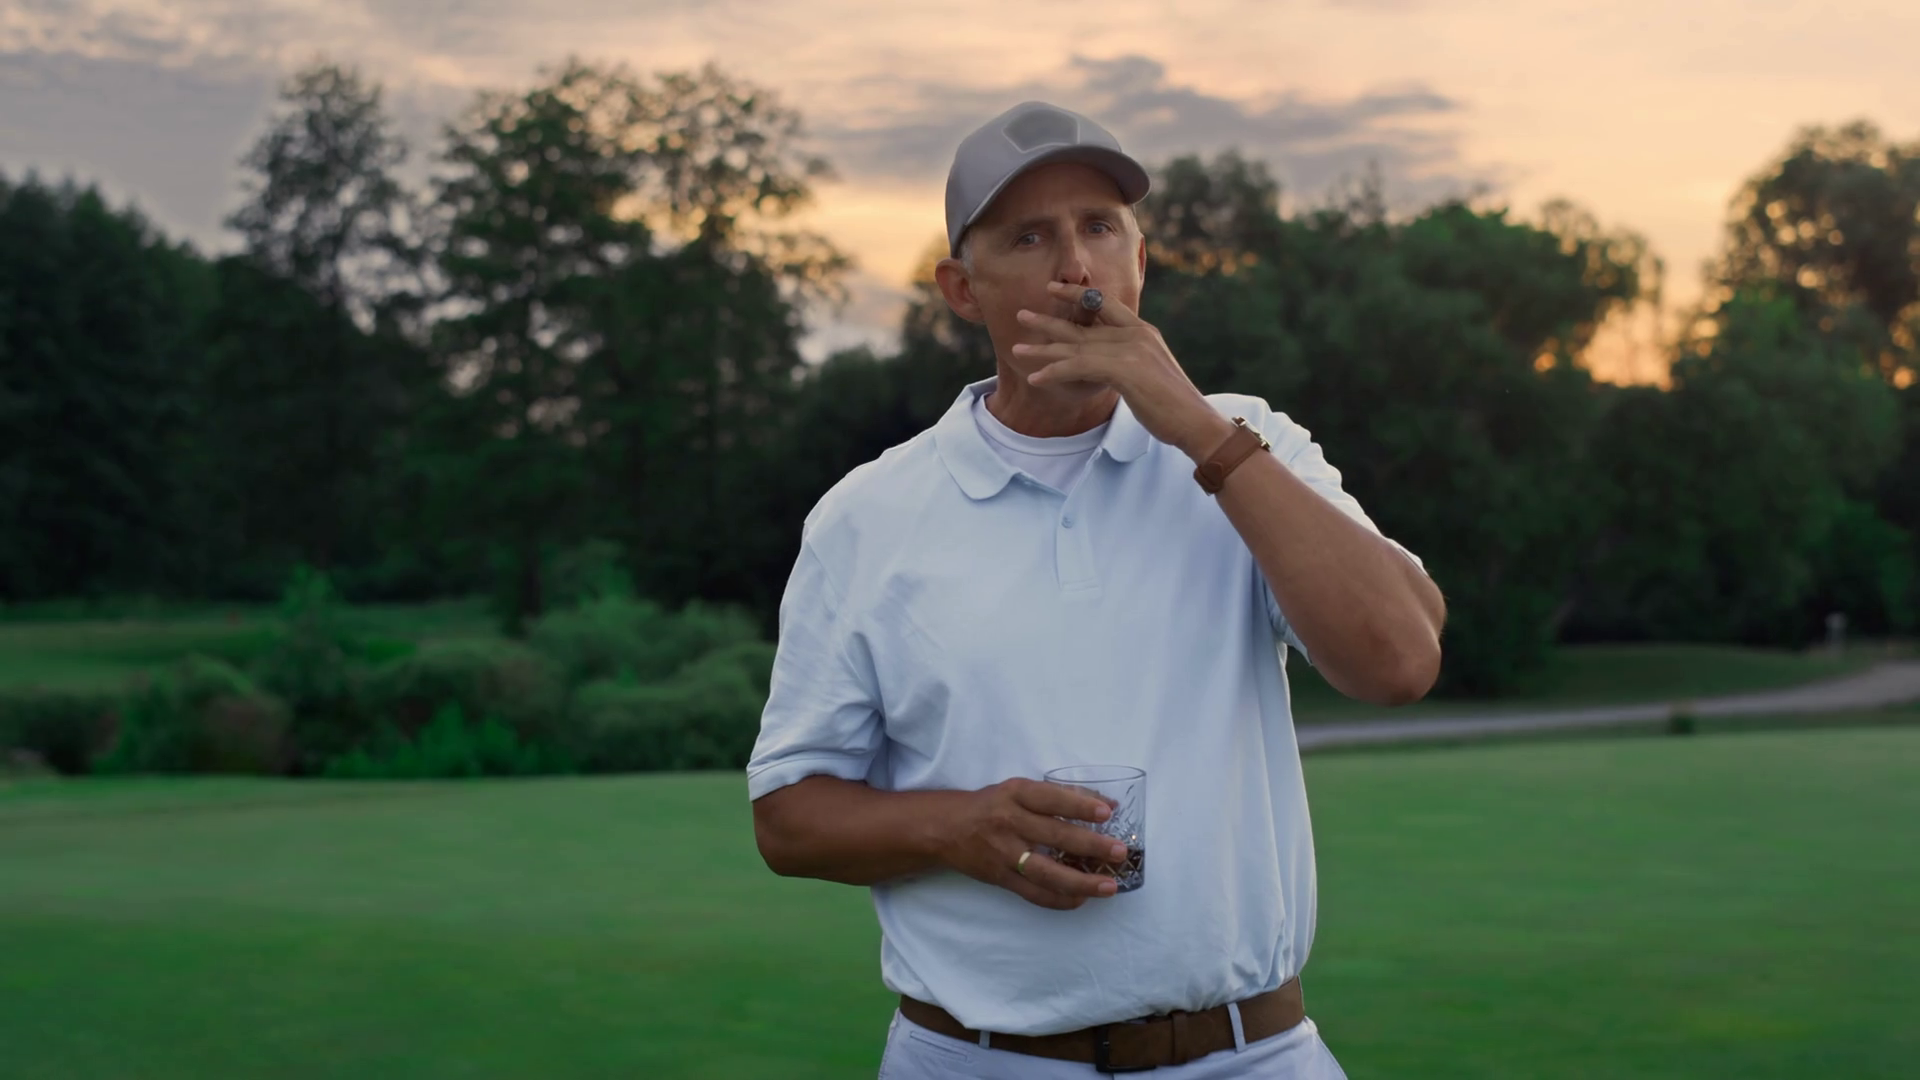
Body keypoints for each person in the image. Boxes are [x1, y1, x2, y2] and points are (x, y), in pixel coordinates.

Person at [746, 100, 1446, 1078]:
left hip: (1251, 1056)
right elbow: (787, 815)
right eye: (1029, 236)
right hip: (975, 1060)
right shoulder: (867, 516)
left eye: (1100, 227)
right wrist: (959, 826)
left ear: (1140, 262)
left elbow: (1402, 659)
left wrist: (1199, 432)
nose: (1076, 265)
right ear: (961, 288)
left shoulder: (1253, 445)